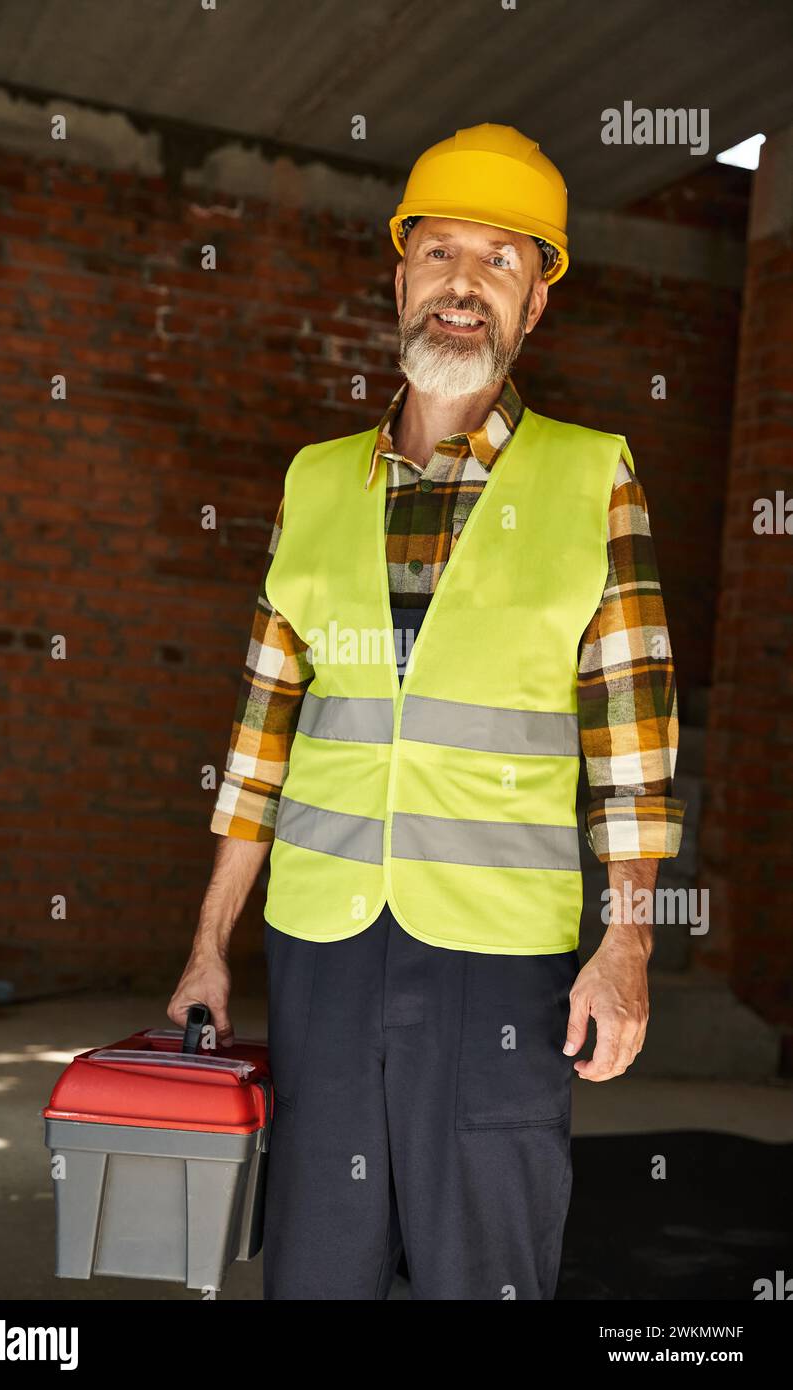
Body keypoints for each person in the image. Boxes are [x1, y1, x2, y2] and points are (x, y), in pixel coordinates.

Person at [169, 123, 685, 1300]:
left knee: (480, 1259)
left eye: (500, 261)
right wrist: (209, 943)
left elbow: (632, 744)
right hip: (323, 942)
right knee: (317, 1254)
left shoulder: (588, 473)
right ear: (401, 278)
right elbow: (260, 740)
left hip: (496, 954)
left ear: (532, 306)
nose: (463, 284)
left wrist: (627, 941)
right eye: (440, 253)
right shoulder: (314, 482)